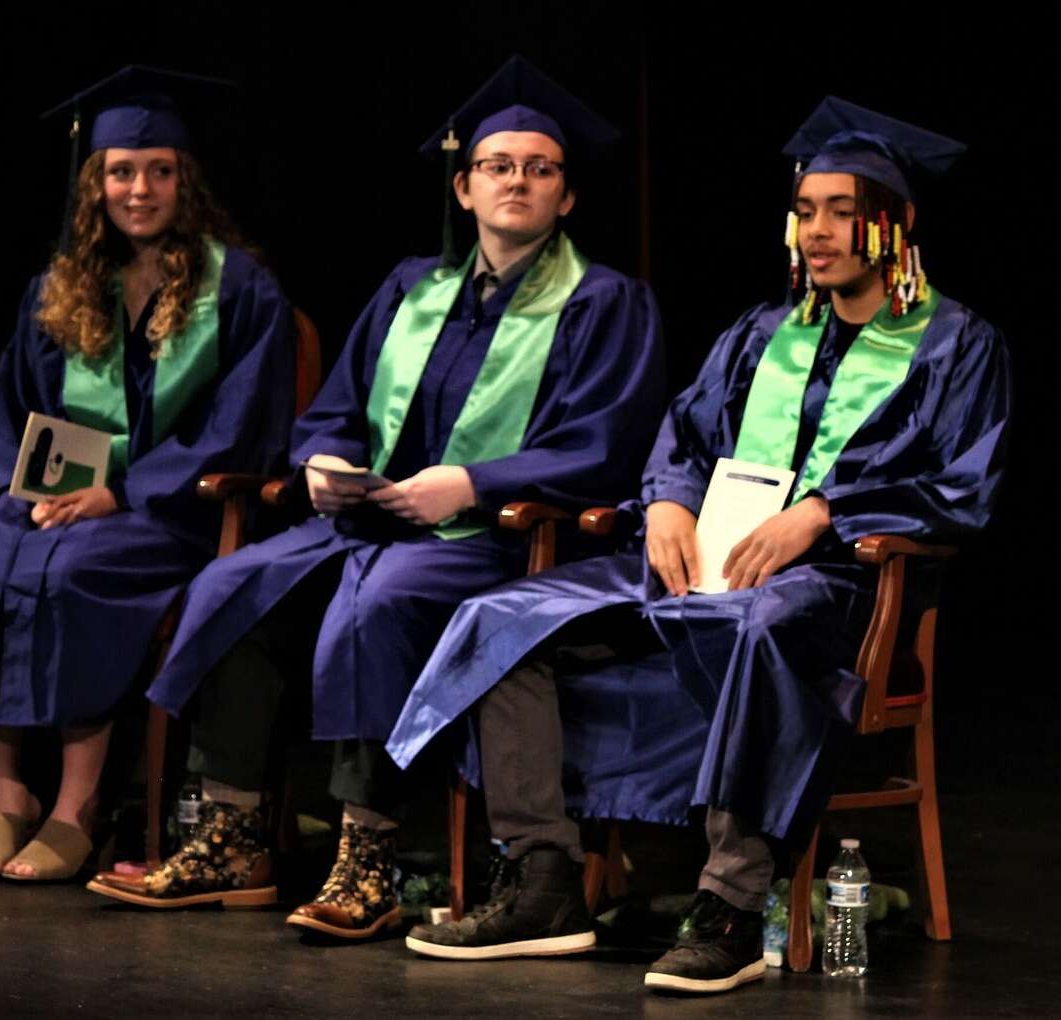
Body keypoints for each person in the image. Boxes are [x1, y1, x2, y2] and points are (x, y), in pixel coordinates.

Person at [387, 97, 1011, 990]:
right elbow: (681, 440)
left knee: (767, 626)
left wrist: (828, 511)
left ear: (896, 222)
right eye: (805, 212)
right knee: (504, 615)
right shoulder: (762, 334)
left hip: (840, 586)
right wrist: (671, 503)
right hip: (704, 566)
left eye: (843, 210)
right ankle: (542, 878)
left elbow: (962, 487)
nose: (819, 232)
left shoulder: (958, 345)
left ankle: (728, 903)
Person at [86, 57, 666, 932]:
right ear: (463, 188)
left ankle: (369, 858)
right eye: (496, 165)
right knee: (237, 585)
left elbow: (605, 446)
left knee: (380, 604)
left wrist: (467, 484)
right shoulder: (412, 288)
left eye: (539, 168)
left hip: (505, 542)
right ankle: (232, 835)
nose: (517, 180)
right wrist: (323, 462)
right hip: (376, 523)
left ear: (567, 198)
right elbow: (338, 411)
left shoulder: (608, 303)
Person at [0, 66, 297, 882]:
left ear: (184, 180)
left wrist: (118, 492)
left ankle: (76, 810)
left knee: (76, 575)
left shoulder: (240, 289)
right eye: (122, 171)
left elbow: (243, 427)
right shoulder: (59, 287)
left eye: (159, 170)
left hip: (168, 513)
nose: (140, 189)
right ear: (97, 183)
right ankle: (9, 799)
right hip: (57, 498)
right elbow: (8, 405)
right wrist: (24, 489)